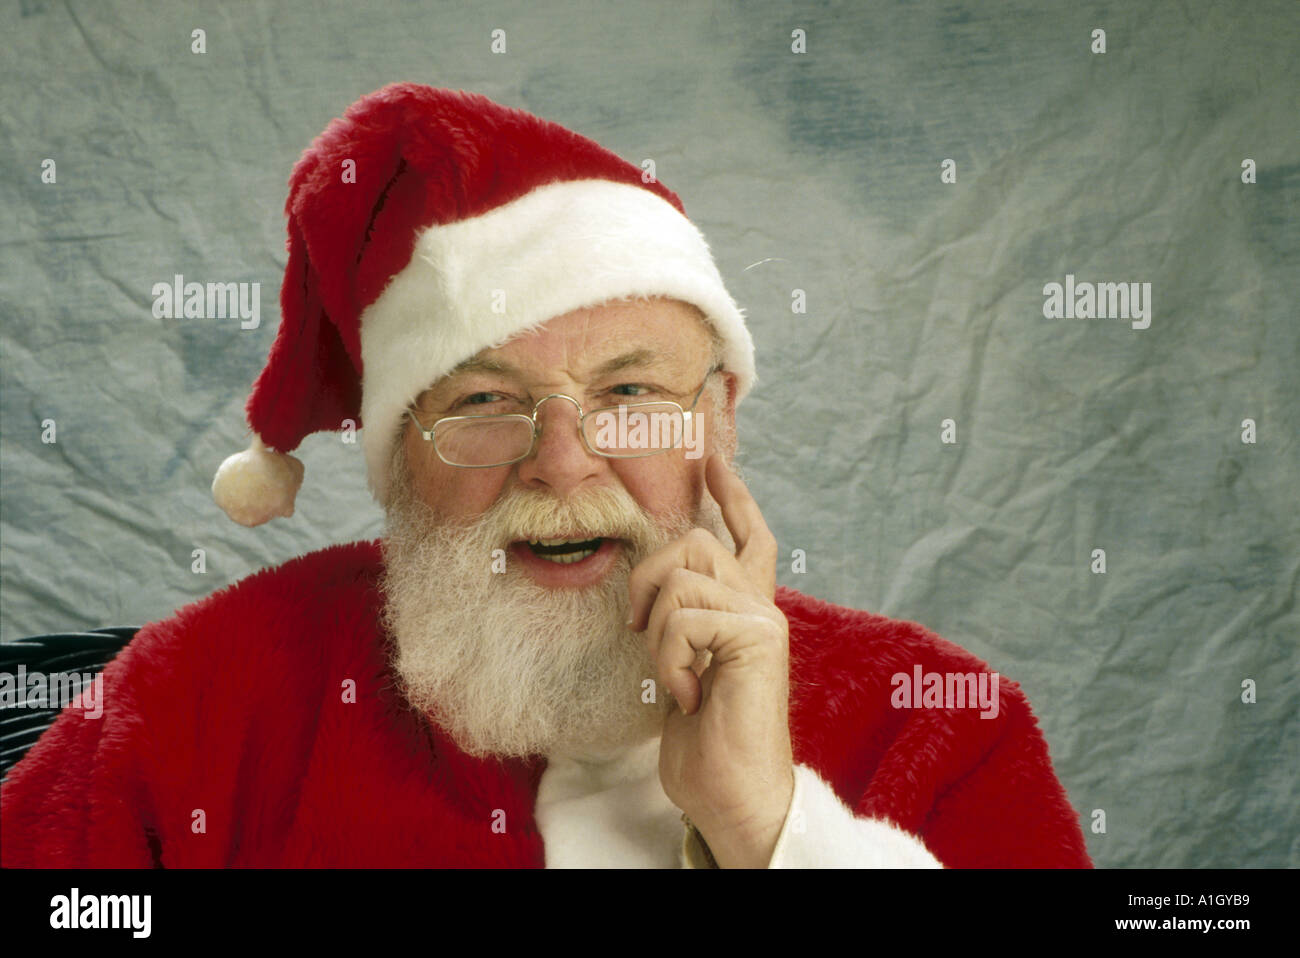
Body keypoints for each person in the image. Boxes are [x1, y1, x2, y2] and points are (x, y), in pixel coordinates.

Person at [0, 83, 1091, 868]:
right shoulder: (199, 696)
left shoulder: (939, 728)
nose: (563, 462)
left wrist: (768, 829)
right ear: (393, 462)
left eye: (629, 395)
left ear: (716, 425)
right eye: (483, 403)